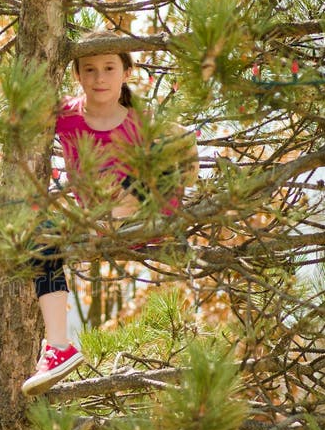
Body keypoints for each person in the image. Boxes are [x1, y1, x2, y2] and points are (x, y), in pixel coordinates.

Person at [21, 36, 197, 397]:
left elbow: (185, 149)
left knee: (141, 169)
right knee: (40, 235)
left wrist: (167, 203)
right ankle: (58, 346)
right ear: (78, 75)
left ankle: (160, 229)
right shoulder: (66, 116)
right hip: (98, 222)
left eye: (109, 68)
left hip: (146, 216)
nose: (99, 78)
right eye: (90, 70)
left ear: (126, 73)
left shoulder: (144, 121)